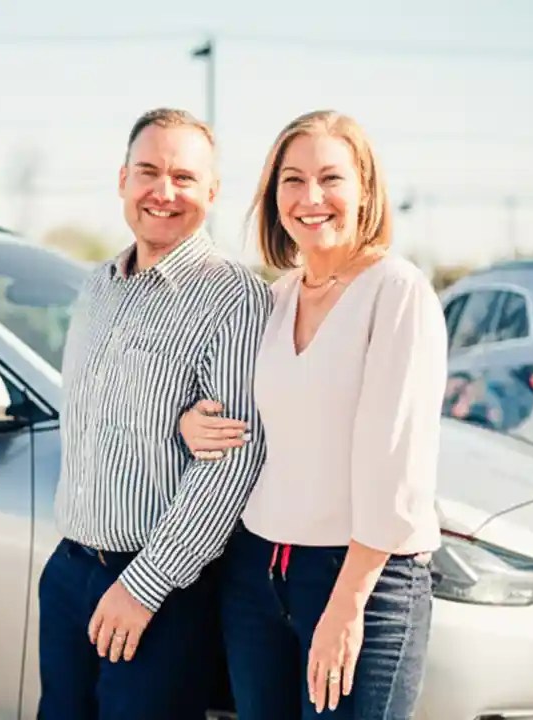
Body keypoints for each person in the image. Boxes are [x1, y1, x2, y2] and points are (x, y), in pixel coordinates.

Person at [179, 109, 446, 719]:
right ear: (273, 198)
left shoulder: (396, 292)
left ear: (366, 191)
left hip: (362, 582)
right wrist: (188, 423)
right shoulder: (274, 299)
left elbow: (397, 464)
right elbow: (247, 415)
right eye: (292, 180)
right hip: (258, 575)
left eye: (331, 178)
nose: (311, 197)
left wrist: (347, 603)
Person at [39, 107, 271, 720]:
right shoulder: (97, 286)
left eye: (185, 177)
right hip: (68, 571)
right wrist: (172, 420)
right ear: (122, 180)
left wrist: (143, 588)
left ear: (213, 193)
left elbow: (233, 461)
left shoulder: (234, 296)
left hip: (156, 589)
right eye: (148, 171)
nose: (163, 192)